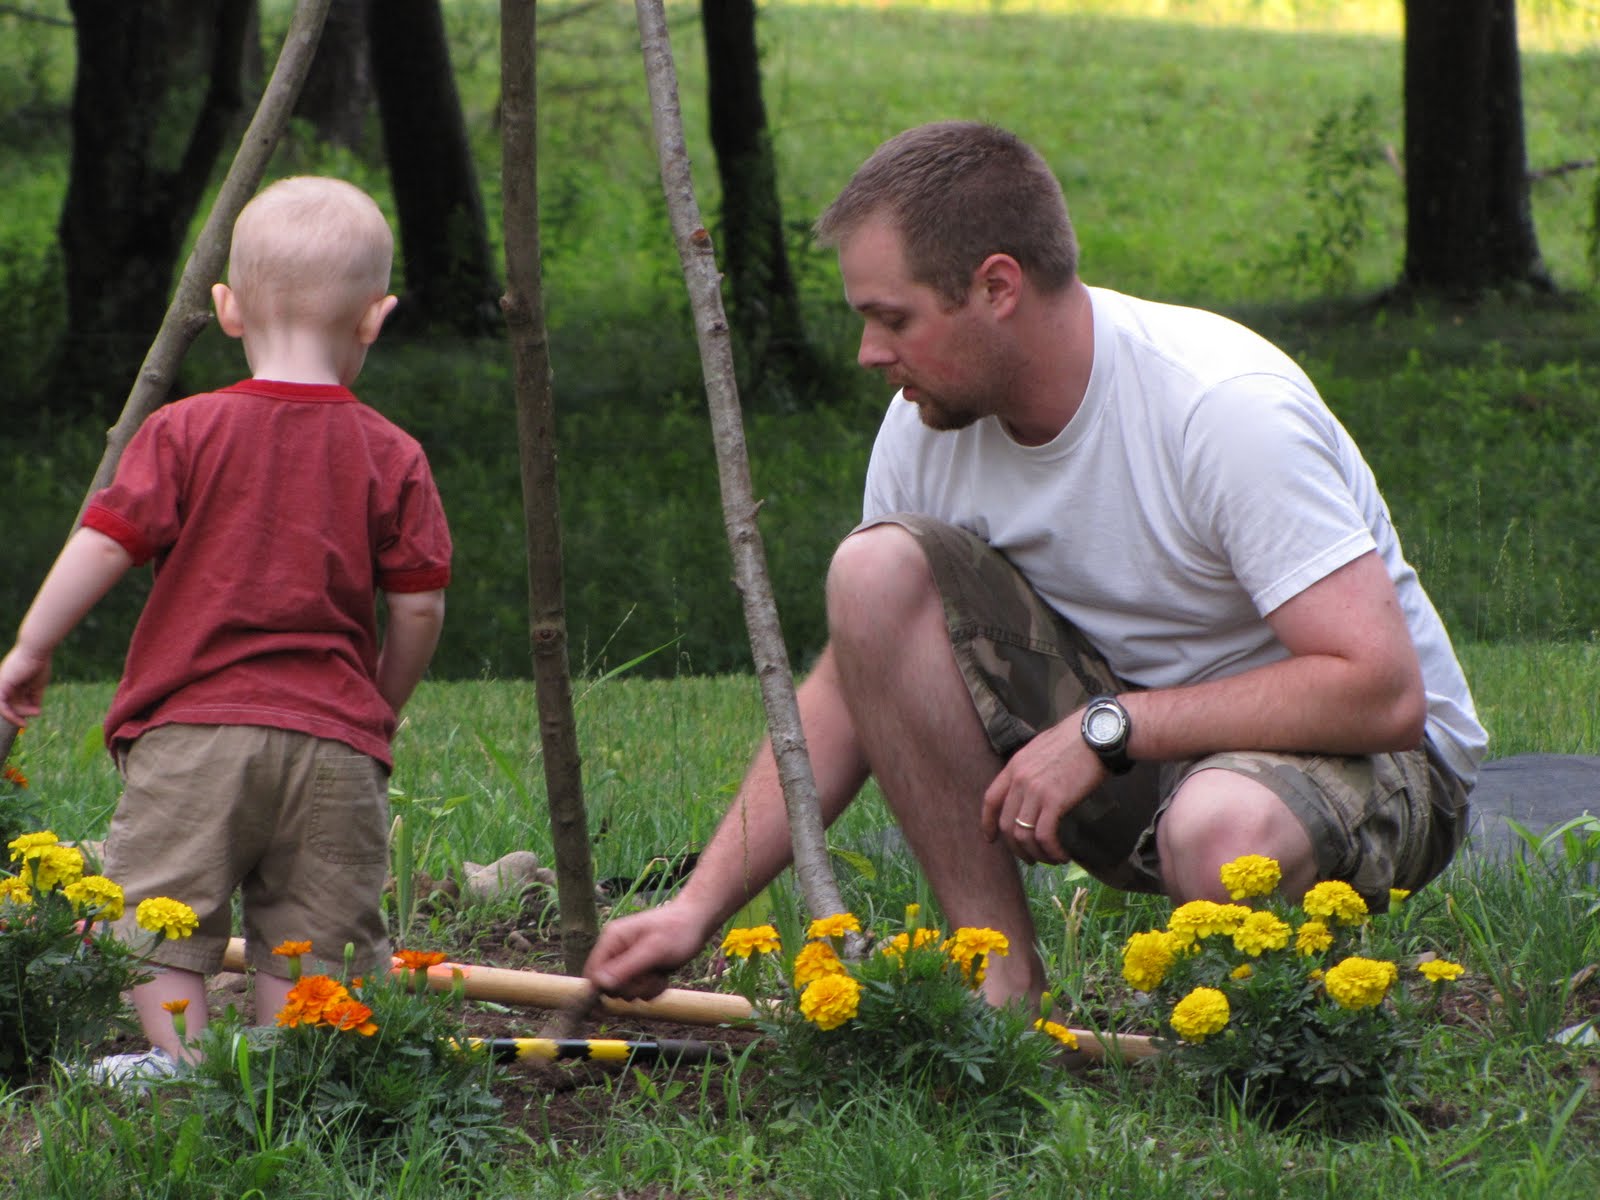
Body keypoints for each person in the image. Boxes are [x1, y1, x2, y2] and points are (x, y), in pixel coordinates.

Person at [584, 121, 1487, 1014]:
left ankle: (1275, 1042)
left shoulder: (1221, 409)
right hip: (1140, 747)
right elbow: (856, 679)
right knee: (872, 573)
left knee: (1223, 834)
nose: (867, 353)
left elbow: (1381, 691)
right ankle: (1004, 983)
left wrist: (1107, 728)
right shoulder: (926, 425)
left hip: (1378, 757)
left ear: (997, 286)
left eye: (892, 318)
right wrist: (696, 908)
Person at [0, 176, 452, 1078]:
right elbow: (419, 605)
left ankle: (185, 1061)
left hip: (193, 735)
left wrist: (30, 647)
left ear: (226, 308)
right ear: (375, 317)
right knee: (308, 931)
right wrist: (379, 701)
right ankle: (285, 1076)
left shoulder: (183, 431)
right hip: (332, 743)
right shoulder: (392, 453)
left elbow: (104, 542)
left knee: (158, 914)